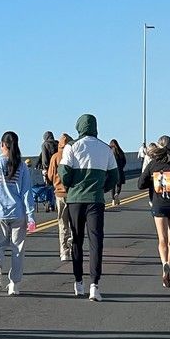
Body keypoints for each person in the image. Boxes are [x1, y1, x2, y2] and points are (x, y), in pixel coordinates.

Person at [59, 113, 119, 302]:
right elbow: (114, 176)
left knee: (77, 240)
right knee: (96, 241)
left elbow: (64, 173)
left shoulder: (72, 146)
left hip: (76, 199)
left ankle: (78, 283)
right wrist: (102, 188)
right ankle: (95, 285)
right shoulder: (105, 149)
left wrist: (72, 185)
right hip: (95, 200)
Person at [0, 131, 36, 296]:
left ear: (2, 145)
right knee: (17, 249)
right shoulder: (21, 166)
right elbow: (27, 191)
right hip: (18, 212)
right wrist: (31, 215)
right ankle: (14, 284)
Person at [138, 135, 170, 288]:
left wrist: (152, 184)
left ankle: (163, 263)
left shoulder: (153, 164)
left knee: (162, 239)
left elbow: (140, 184)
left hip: (158, 204)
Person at [45, 133, 74, 262]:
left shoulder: (55, 157)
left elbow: (50, 176)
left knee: (62, 224)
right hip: (74, 194)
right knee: (75, 224)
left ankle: (64, 252)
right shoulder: (75, 156)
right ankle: (74, 248)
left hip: (60, 194)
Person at [108, 139, 127, 207]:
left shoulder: (109, 151)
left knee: (113, 186)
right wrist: (121, 167)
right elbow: (124, 161)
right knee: (119, 185)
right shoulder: (120, 151)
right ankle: (117, 194)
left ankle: (113, 200)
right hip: (120, 170)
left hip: (113, 170)